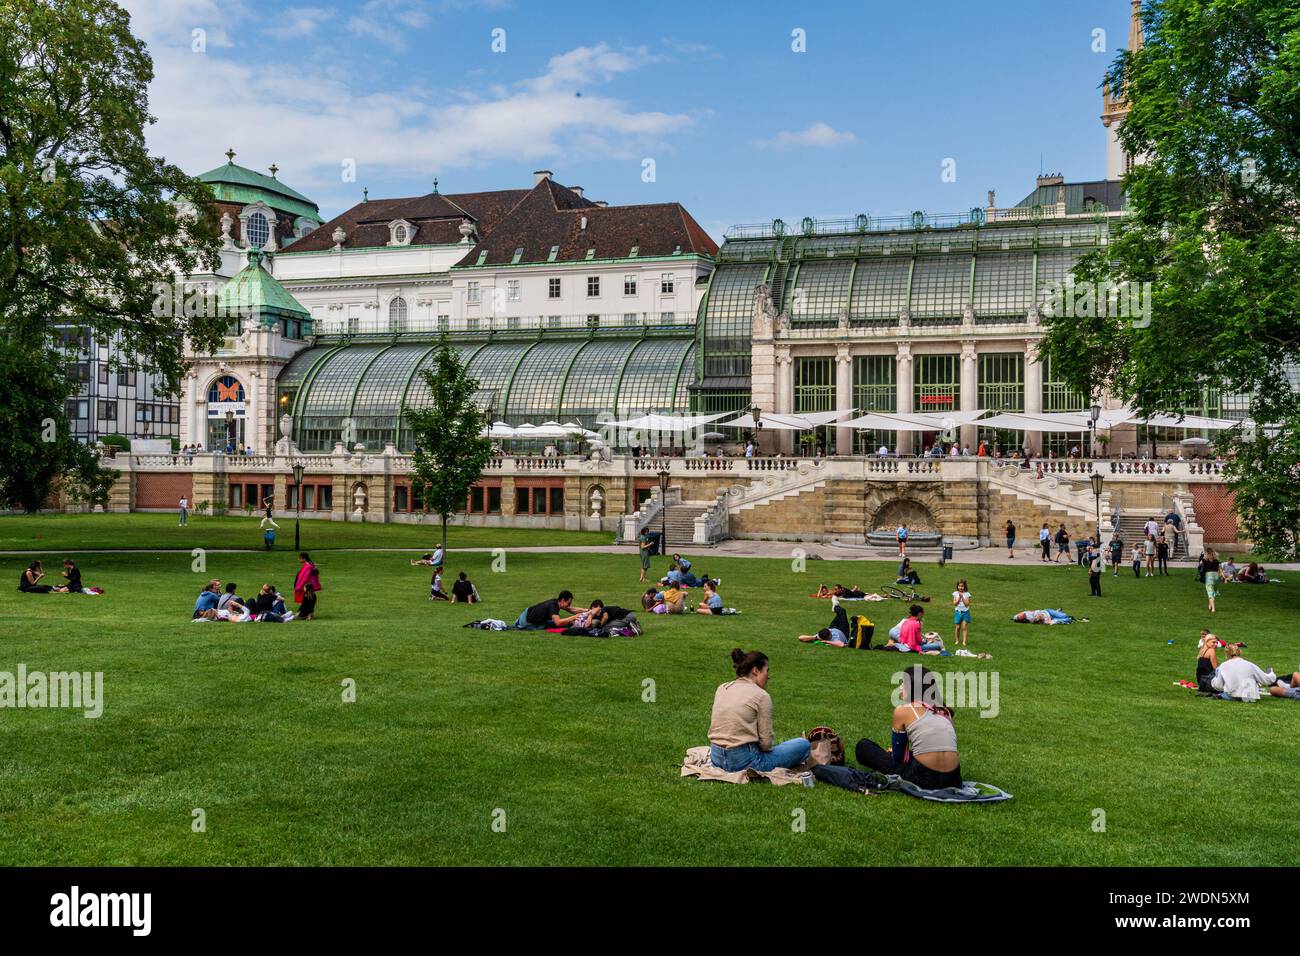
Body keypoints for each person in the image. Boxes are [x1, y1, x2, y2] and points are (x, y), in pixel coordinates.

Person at [854, 665, 962, 789]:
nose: (900, 686)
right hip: (954, 779)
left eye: (902, 683)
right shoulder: (945, 711)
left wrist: (894, 754)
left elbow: (899, 758)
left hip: (925, 779)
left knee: (863, 747)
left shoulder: (903, 711)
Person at [707, 648, 811, 773]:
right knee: (803, 745)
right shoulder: (761, 695)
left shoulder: (722, 688)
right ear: (755, 670)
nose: (769, 676)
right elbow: (766, 744)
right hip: (745, 762)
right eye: (767, 671)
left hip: (716, 759)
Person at [952, 579, 972, 646]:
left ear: (965, 586)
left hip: (965, 612)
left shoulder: (967, 594)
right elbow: (954, 603)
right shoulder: (955, 593)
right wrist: (958, 598)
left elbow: (967, 604)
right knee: (957, 627)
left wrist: (962, 597)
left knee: (964, 627)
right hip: (958, 612)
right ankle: (957, 640)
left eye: (962, 586)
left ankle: (964, 641)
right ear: (957, 586)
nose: (961, 587)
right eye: (959, 586)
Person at [1203, 548, 1221, 613]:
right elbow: (1219, 569)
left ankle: (1213, 608)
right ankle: (1210, 605)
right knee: (1213, 591)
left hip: (1209, 576)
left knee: (1210, 592)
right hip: (1216, 576)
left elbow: (1200, 566)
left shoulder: (1204, 560)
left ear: (1207, 553)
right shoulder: (1216, 560)